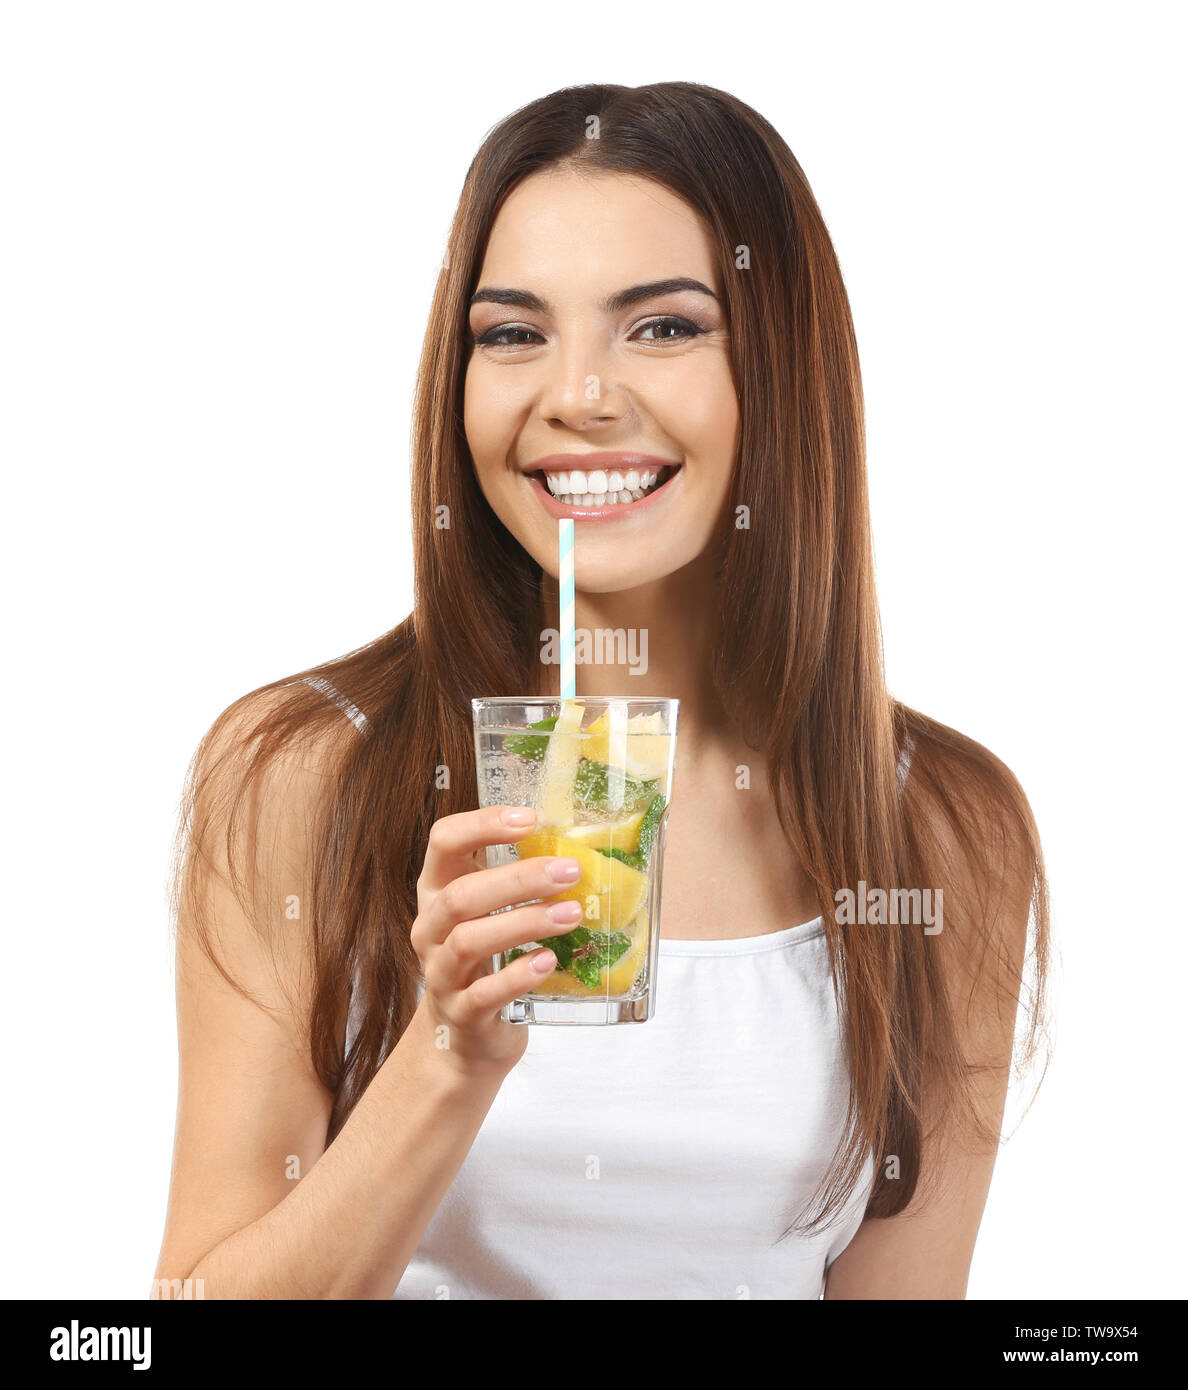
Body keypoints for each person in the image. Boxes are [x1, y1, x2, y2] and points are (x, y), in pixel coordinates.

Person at [152, 82, 1050, 1300]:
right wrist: (449, 1058)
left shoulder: (942, 834)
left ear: (781, 371)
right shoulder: (302, 774)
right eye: (513, 333)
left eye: (665, 327)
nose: (575, 394)